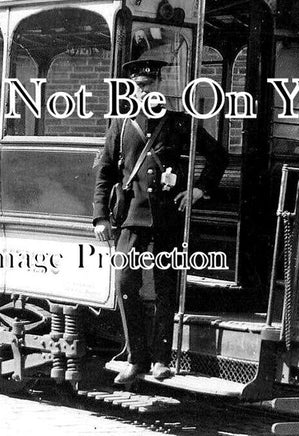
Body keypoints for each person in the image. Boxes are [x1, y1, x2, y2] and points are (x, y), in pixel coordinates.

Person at [92, 58, 227, 384]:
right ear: (131, 88)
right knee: (125, 284)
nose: (145, 91)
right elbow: (105, 172)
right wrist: (99, 217)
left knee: (167, 289)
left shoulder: (180, 123)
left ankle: (161, 361)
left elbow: (218, 156)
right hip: (132, 219)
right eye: (140, 86)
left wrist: (197, 189)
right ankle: (137, 358)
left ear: (162, 87)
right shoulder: (121, 126)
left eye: (151, 85)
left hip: (168, 218)